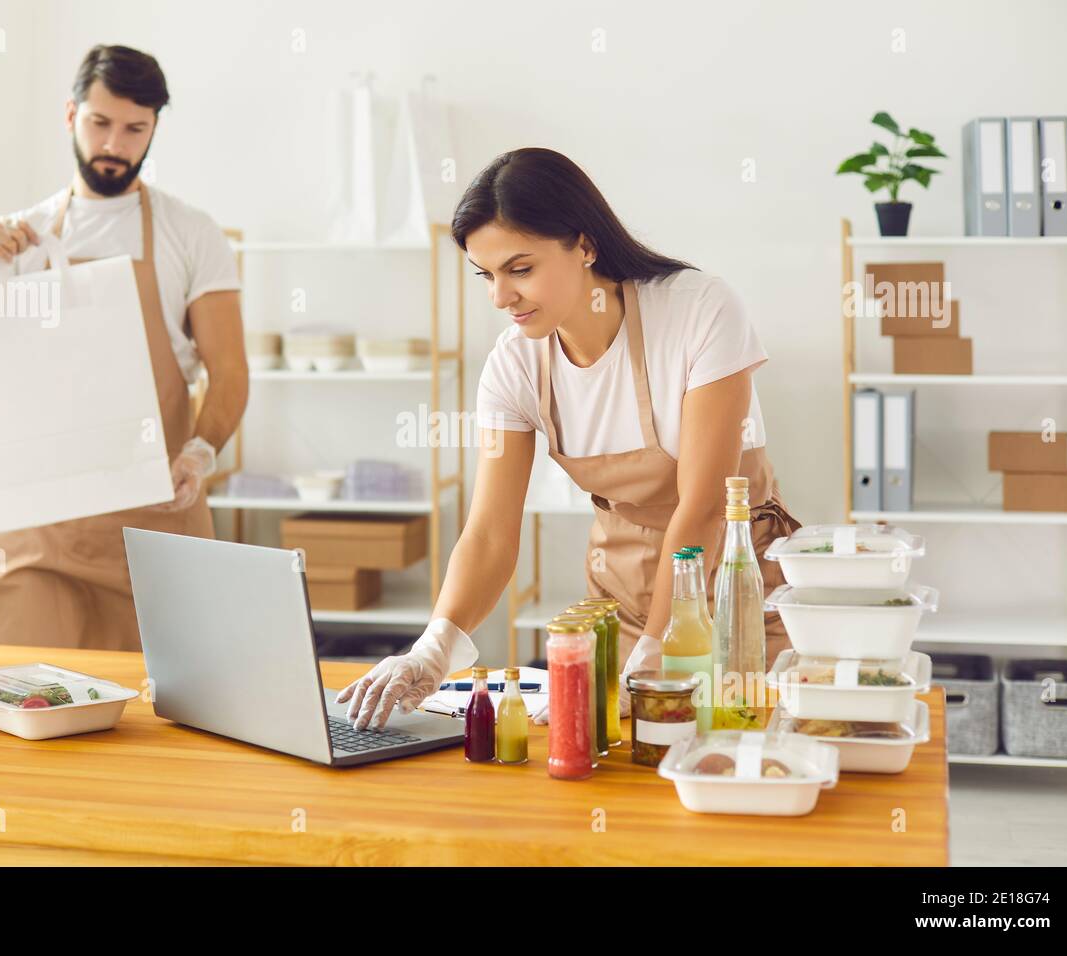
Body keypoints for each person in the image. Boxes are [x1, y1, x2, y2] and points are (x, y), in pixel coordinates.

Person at [337, 147, 799, 729]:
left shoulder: (698, 311)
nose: (500, 297)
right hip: (624, 607)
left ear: (584, 246)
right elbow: (488, 533)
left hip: (738, 596)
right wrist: (434, 645)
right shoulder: (514, 366)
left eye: (520, 269)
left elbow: (704, 506)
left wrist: (653, 656)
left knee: (737, 757)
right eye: (487, 275)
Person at [0, 45, 248, 651]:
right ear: (71, 116)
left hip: (155, 525)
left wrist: (199, 453)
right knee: (18, 702)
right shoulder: (19, 236)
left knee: (159, 726)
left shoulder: (191, 234)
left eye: (134, 129)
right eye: (100, 123)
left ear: (153, 130)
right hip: (37, 534)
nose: (115, 144)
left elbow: (228, 373)